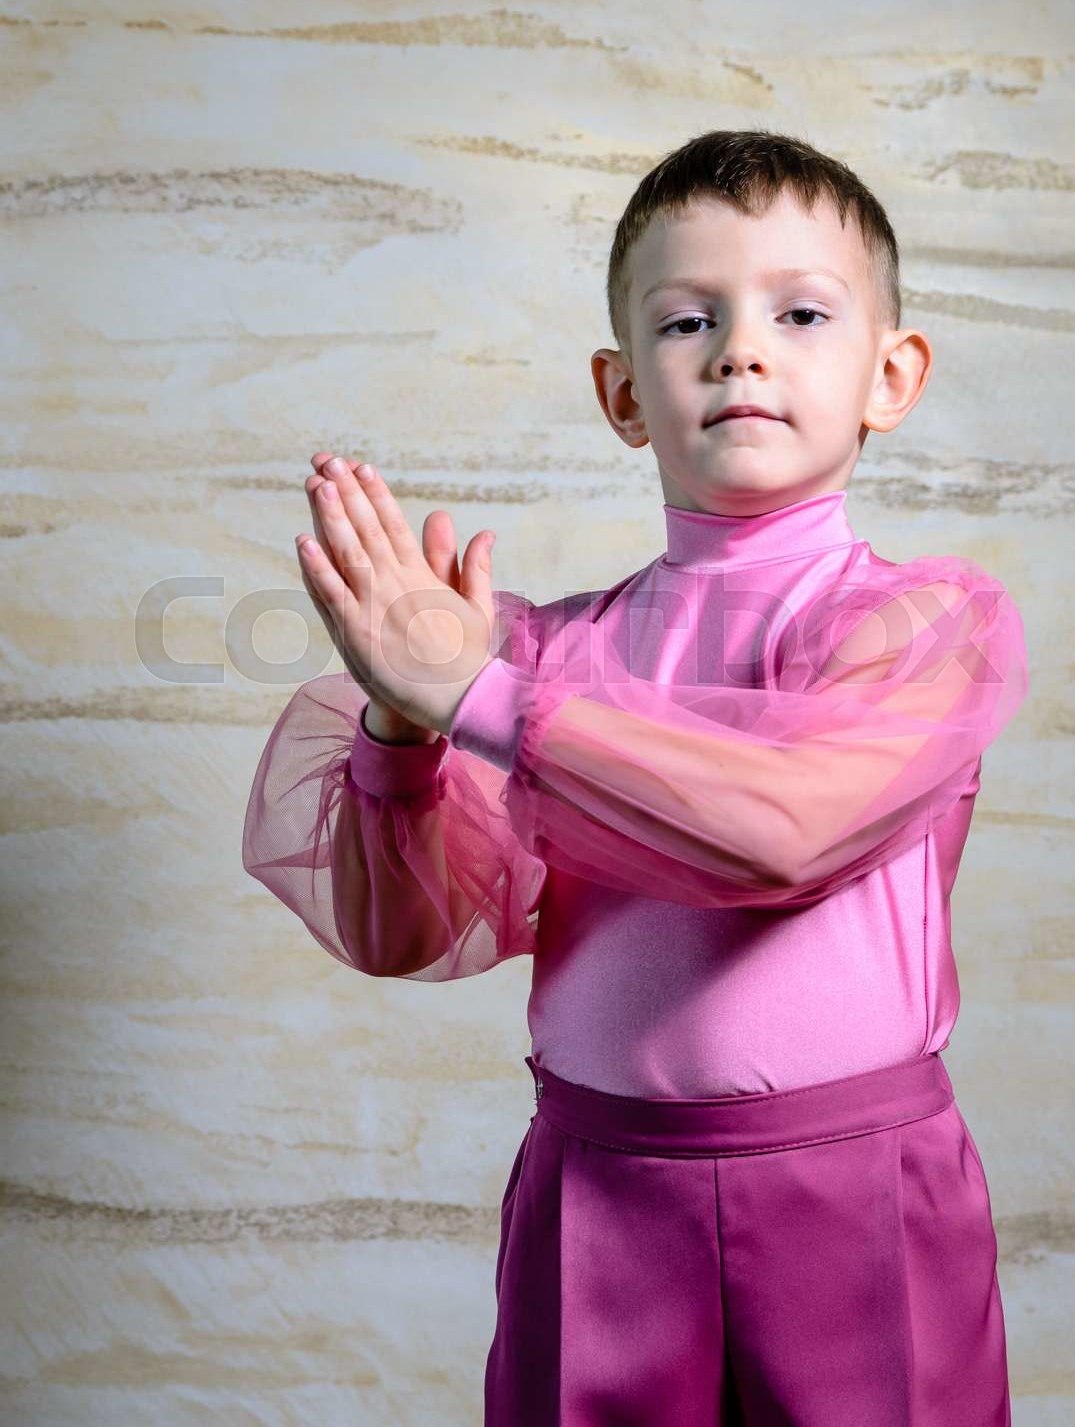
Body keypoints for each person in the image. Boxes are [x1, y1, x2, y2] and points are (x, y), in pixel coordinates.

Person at [242, 129, 1029, 1424]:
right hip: (599, 1195)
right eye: (684, 321)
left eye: (799, 311)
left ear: (891, 374)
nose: (738, 349)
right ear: (619, 396)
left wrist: (474, 694)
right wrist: (401, 727)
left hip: (856, 1192)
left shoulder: (921, 624)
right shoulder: (553, 655)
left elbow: (783, 833)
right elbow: (401, 932)